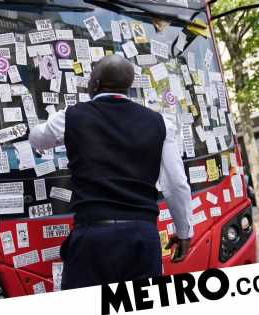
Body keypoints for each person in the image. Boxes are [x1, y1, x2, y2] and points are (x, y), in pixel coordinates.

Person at [29, 55, 193, 289]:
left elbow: (37, 139)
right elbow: (176, 184)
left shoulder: (72, 116)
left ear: (94, 83)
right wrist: (184, 231)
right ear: (128, 86)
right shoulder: (160, 123)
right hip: (142, 237)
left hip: (93, 237)